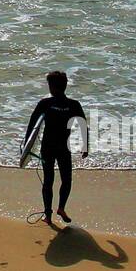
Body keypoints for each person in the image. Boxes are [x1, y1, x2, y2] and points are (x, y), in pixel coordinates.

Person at [23, 70, 87, 228]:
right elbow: (83, 125)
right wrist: (86, 146)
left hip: (48, 147)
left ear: (51, 86)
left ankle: (48, 215)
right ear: (65, 86)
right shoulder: (73, 104)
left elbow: (32, 126)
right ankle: (61, 208)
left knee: (48, 181)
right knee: (66, 180)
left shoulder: (45, 103)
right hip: (63, 148)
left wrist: (26, 146)